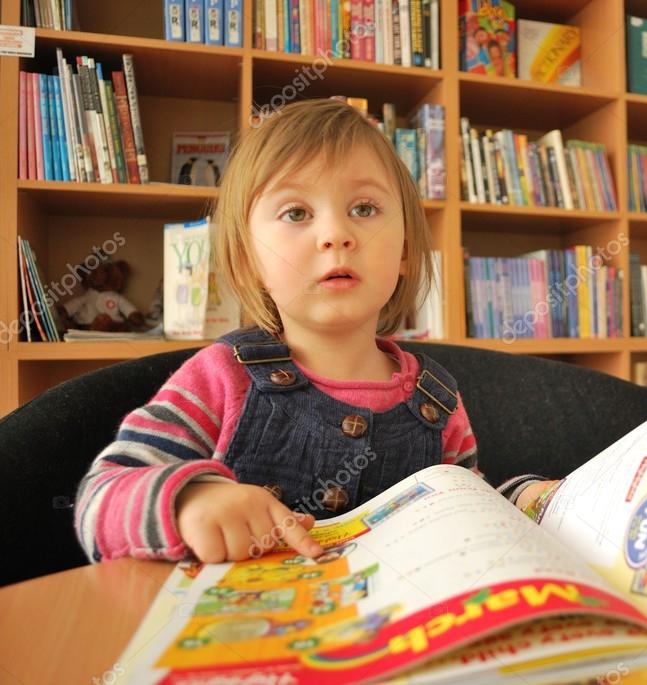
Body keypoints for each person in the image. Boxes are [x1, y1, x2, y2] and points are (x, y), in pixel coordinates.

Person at [74, 99, 556, 565]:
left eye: (364, 209)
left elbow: (464, 503)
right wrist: (187, 502)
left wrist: (527, 498)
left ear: (406, 250)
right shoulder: (221, 378)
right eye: (296, 213)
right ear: (249, 261)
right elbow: (97, 501)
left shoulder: (440, 400)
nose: (336, 234)